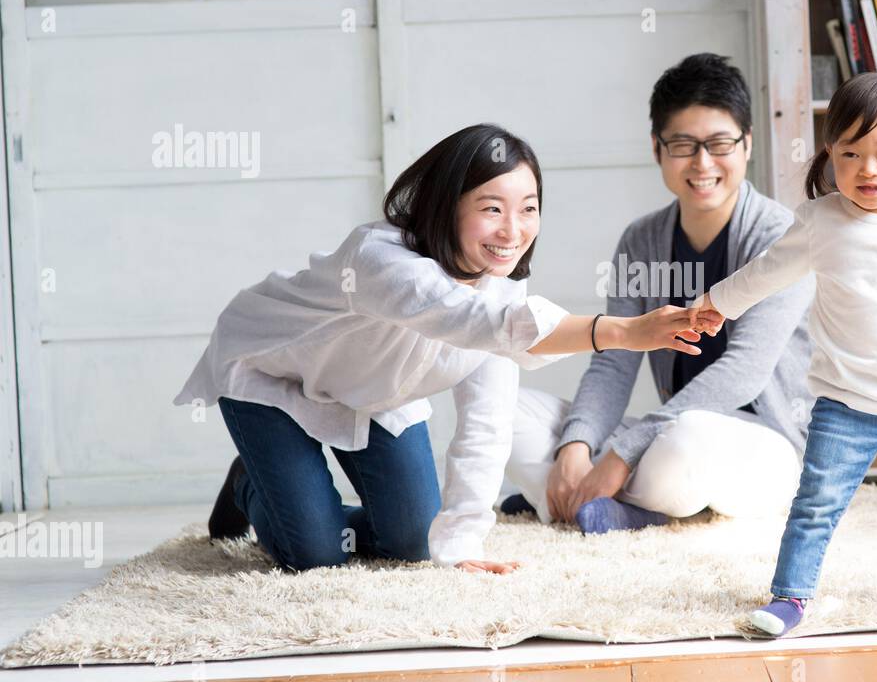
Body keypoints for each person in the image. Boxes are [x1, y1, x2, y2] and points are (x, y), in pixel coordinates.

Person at [174, 124, 707, 574]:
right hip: (273, 375)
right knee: (314, 554)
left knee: (413, 545)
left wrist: (460, 543)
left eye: (528, 208)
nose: (513, 230)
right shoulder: (381, 259)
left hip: (371, 395)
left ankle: (300, 500)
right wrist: (623, 330)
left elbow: (487, 422)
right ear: (446, 206)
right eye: (491, 208)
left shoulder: (502, 291)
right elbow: (476, 320)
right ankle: (252, 482)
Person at [692, 72, 877, 636]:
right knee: (817, 503)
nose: (867, 169)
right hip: (842, 402)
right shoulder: (820, 222)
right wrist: (718, 303)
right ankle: (790, 597)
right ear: (830, 154)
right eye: (850, 153)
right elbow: (765, 273)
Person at [501, 53, 813, 534]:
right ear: (657, 149)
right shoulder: (642, 240)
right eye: (684, 145)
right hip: (666, 430)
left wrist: (623, 452)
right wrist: (576, 448)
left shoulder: (781, 238)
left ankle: (575, 499)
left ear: (747, 144)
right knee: (505, 405)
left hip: (768, 447)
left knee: (684, 442)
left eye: (720, 143)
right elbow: (612, 359)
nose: (702, 162)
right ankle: (611, 504)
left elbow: (744, 373)